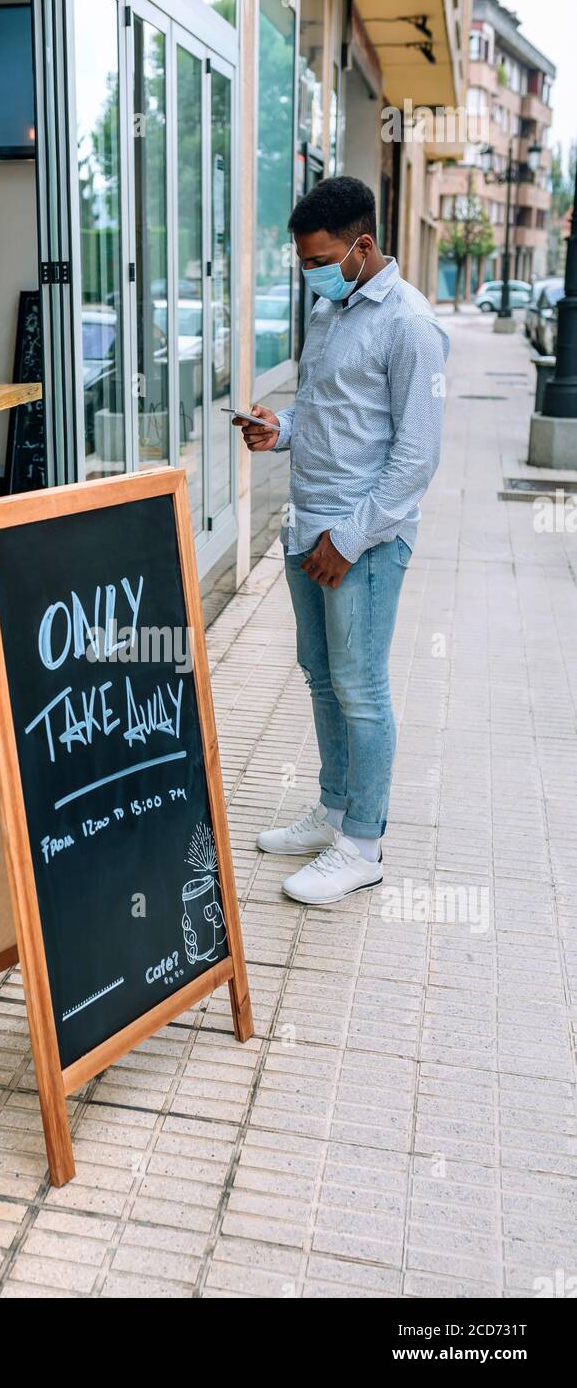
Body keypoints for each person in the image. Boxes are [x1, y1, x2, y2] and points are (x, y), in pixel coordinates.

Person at [235, 176, 449, 906]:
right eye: (301, 262)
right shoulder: (330, 309)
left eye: (320, 259)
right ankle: (332, 812)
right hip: (306, 528)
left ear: (364, 245)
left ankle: (363, 843)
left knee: (360, 688)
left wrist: (350, 540)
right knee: (321, 677)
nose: (309, 273)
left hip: (362, 541)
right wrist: (279, 430)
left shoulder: (411, 326)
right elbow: (327, 413)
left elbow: (415, 458)